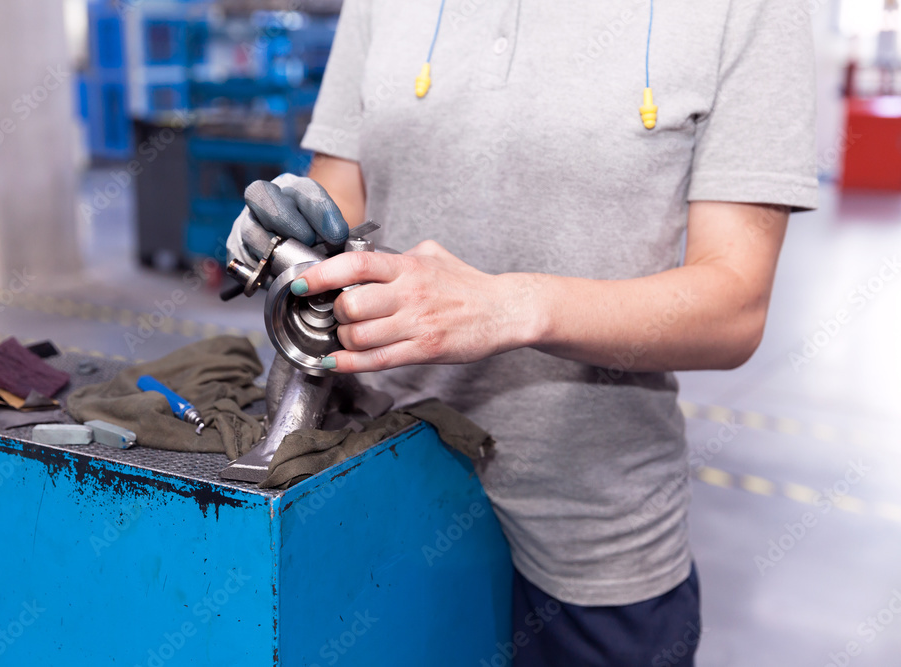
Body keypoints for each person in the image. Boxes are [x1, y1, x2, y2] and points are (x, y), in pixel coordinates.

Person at [227, 1, 818, 664]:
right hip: (377, 488)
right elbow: (340, 201)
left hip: (589, 536)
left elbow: (734, 307)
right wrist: (288, 235)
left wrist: (513, 306)